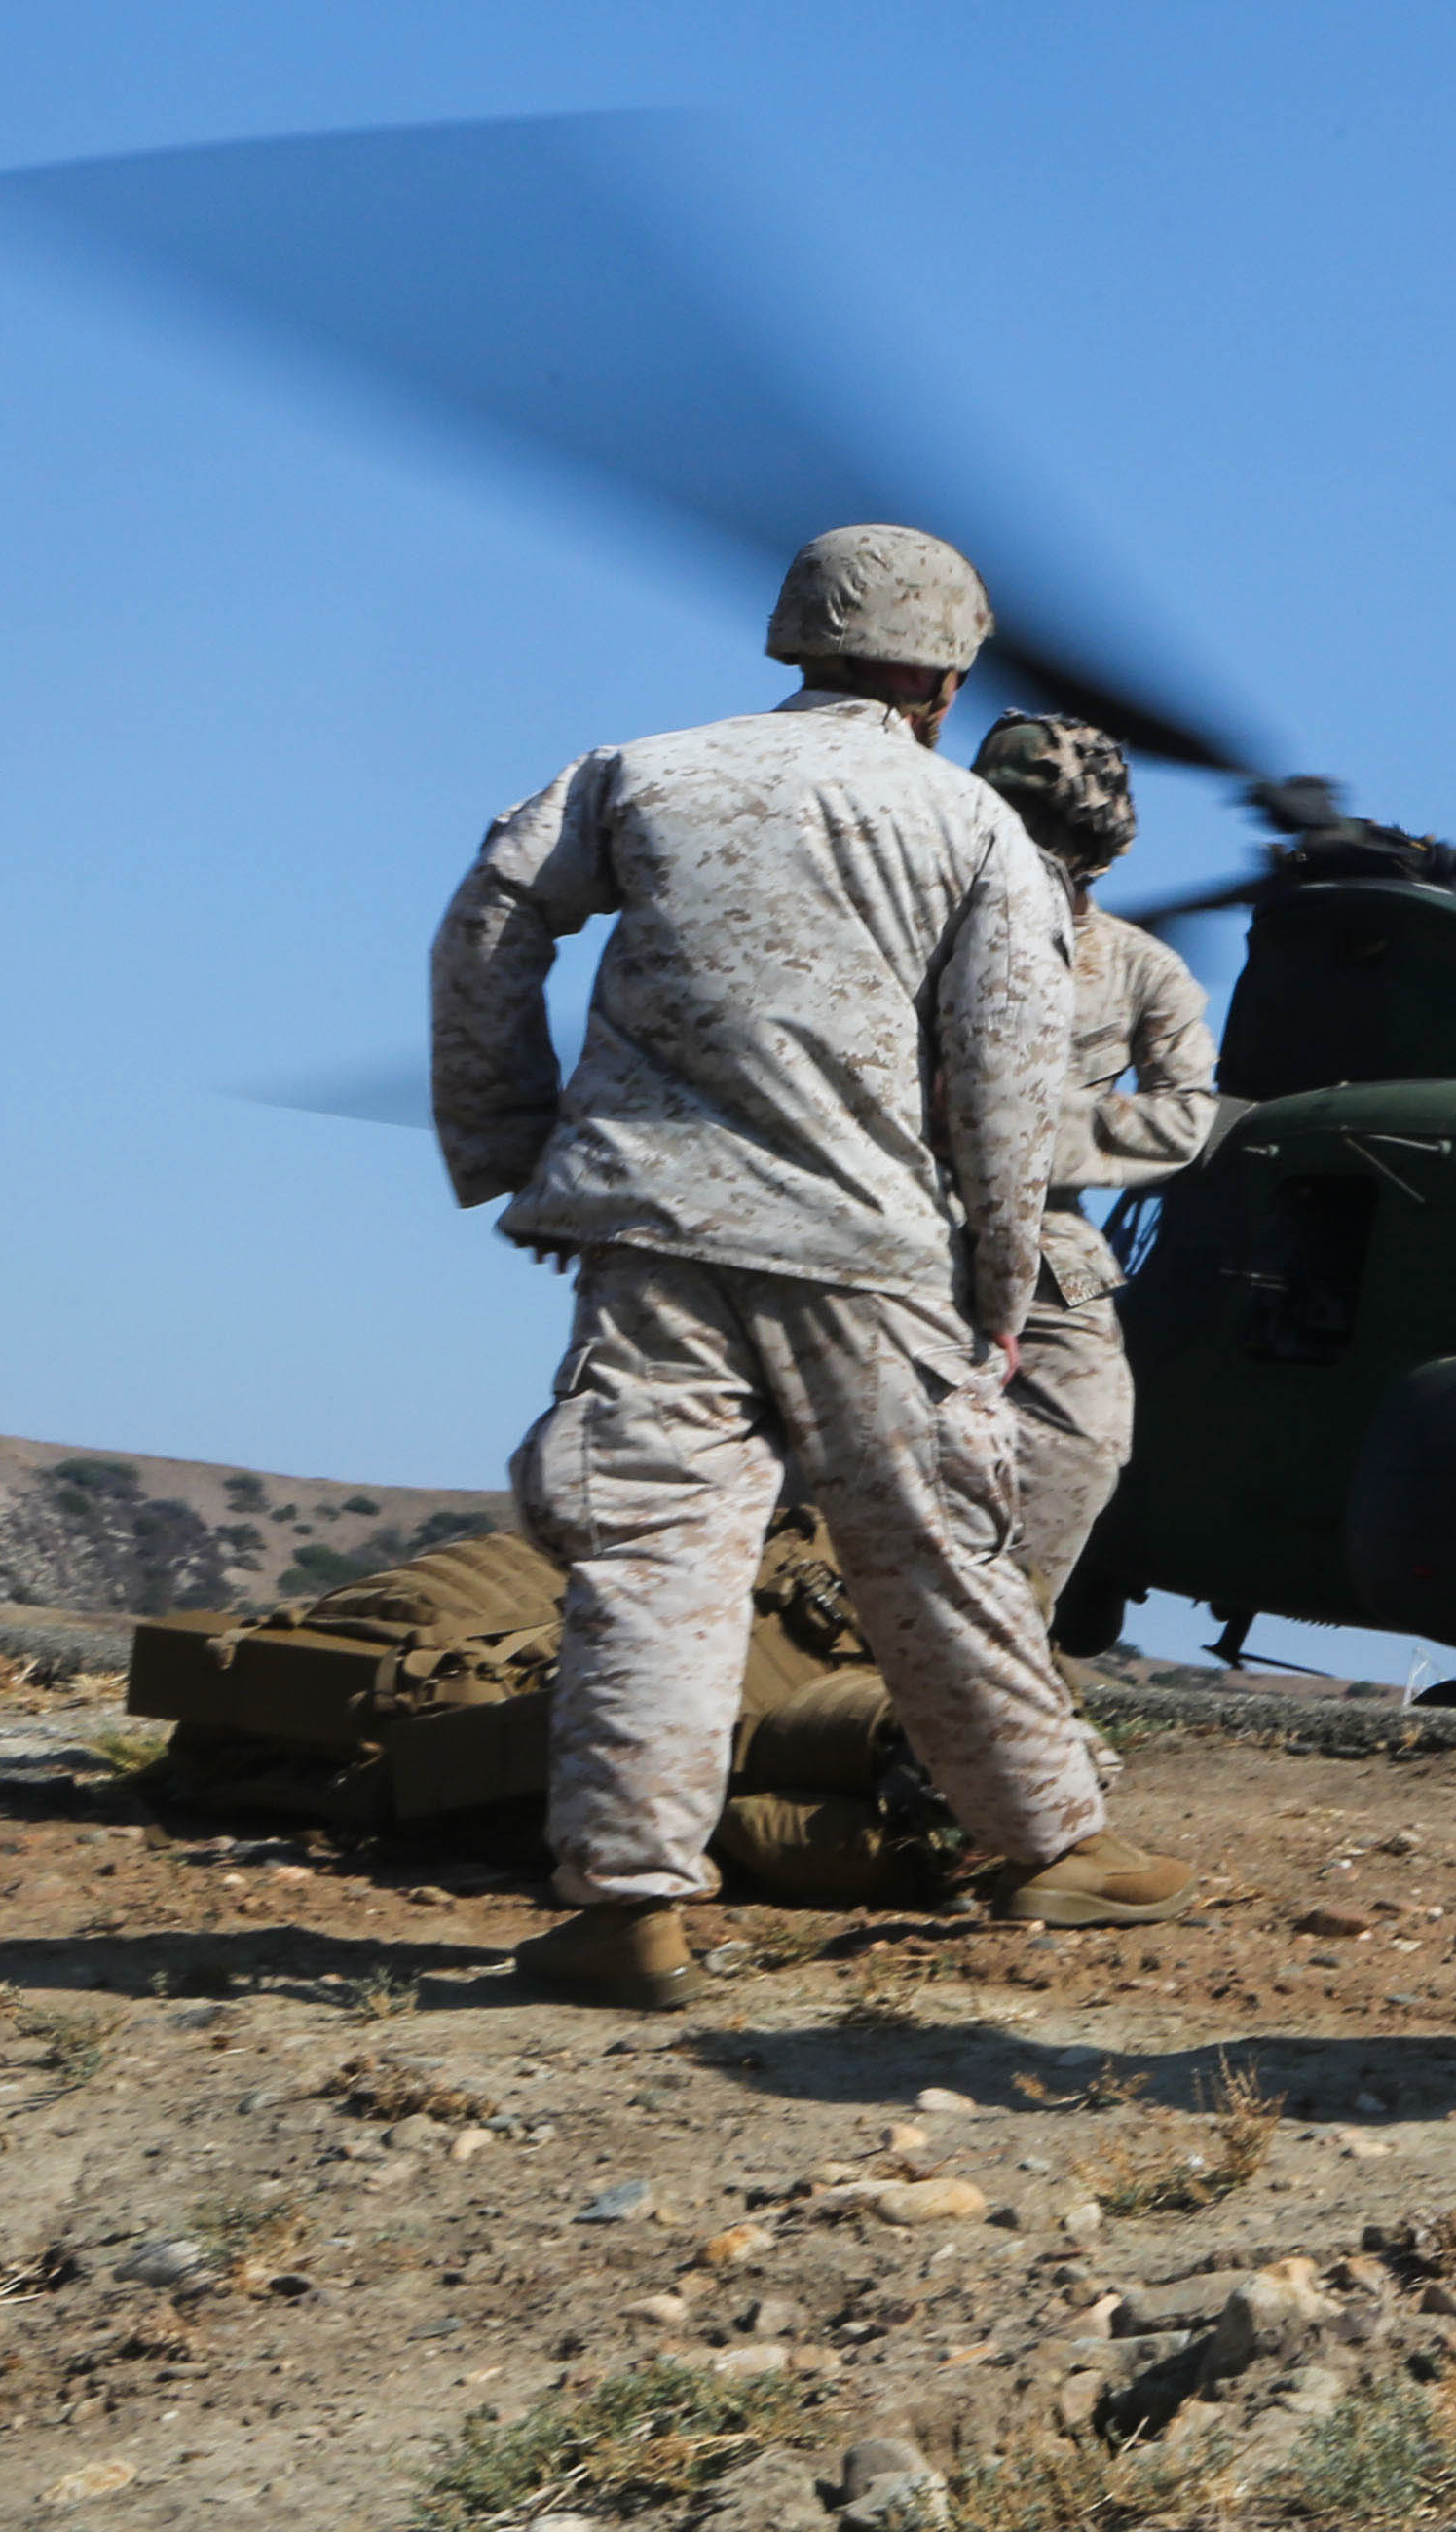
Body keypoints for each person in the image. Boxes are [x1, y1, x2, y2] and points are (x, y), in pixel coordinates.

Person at [430, 526, 1198, 2010]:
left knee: (653, 1564)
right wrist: (994, 1289)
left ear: (794, 636)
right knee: (937, 1552)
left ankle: (627, 1906)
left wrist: (507, 1136)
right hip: (869, 1251)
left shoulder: (636, 771)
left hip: (649, 1234)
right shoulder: (973, 831)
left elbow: (492, 922)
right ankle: (1046, 1846)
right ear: (952, 668)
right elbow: (1007, 1078)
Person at [964, 713, 1244, 1616]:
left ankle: (1003, 1632)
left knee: (1085, 1432)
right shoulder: (916, 930)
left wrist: (1026, 1131)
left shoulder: (1140, 970)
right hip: (898, 1204)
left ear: (1096, 846)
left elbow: (1187, 1118)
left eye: (1048, 829)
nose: (1030, 847)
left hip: (1047, 1236)